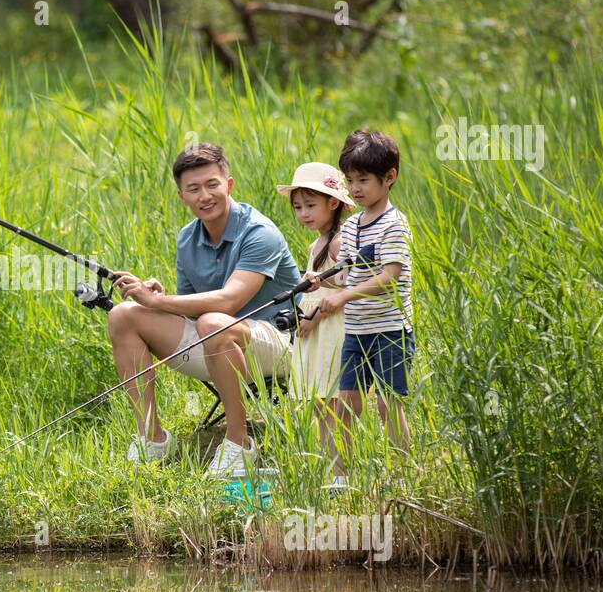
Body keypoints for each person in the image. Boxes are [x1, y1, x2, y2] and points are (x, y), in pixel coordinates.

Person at [105, 142, 303, 477]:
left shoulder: (259, 232)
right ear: (181, 196)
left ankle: (239, 443)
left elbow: (228, 302)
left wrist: (159, 303)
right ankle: (152, 438)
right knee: (123, 314)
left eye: (212, 184)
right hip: (218, 340)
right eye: (193, 189)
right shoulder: (187, 238)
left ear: (229, 184)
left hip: (282, 343)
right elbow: (193, 313)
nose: (204, 196)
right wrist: (159, 298)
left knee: (215, 322)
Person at [307, 129, 414, 487]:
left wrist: (342, 297)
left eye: (363, 180)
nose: (355, 188)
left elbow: (389, 277)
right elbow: (346, 274)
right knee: (346, 403)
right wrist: (320, 282)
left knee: (387, 404)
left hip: (390, 330)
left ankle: (401, 475)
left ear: (389, 178)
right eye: (350, 180)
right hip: (356, 331)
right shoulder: (351, 226)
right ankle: (340, 476)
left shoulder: (393, 224)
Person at [275, 162, 355, 455]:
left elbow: (348, 289)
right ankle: (329, 461)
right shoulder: (316, 245)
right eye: (297, 207)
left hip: (331, 329)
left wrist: (313, 315)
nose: (303, 213)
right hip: (314, 329)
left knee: (334, 402)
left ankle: (342, 466)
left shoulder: (338, 242)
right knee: (319, 402)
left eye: (310, 205)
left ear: (333, 202)